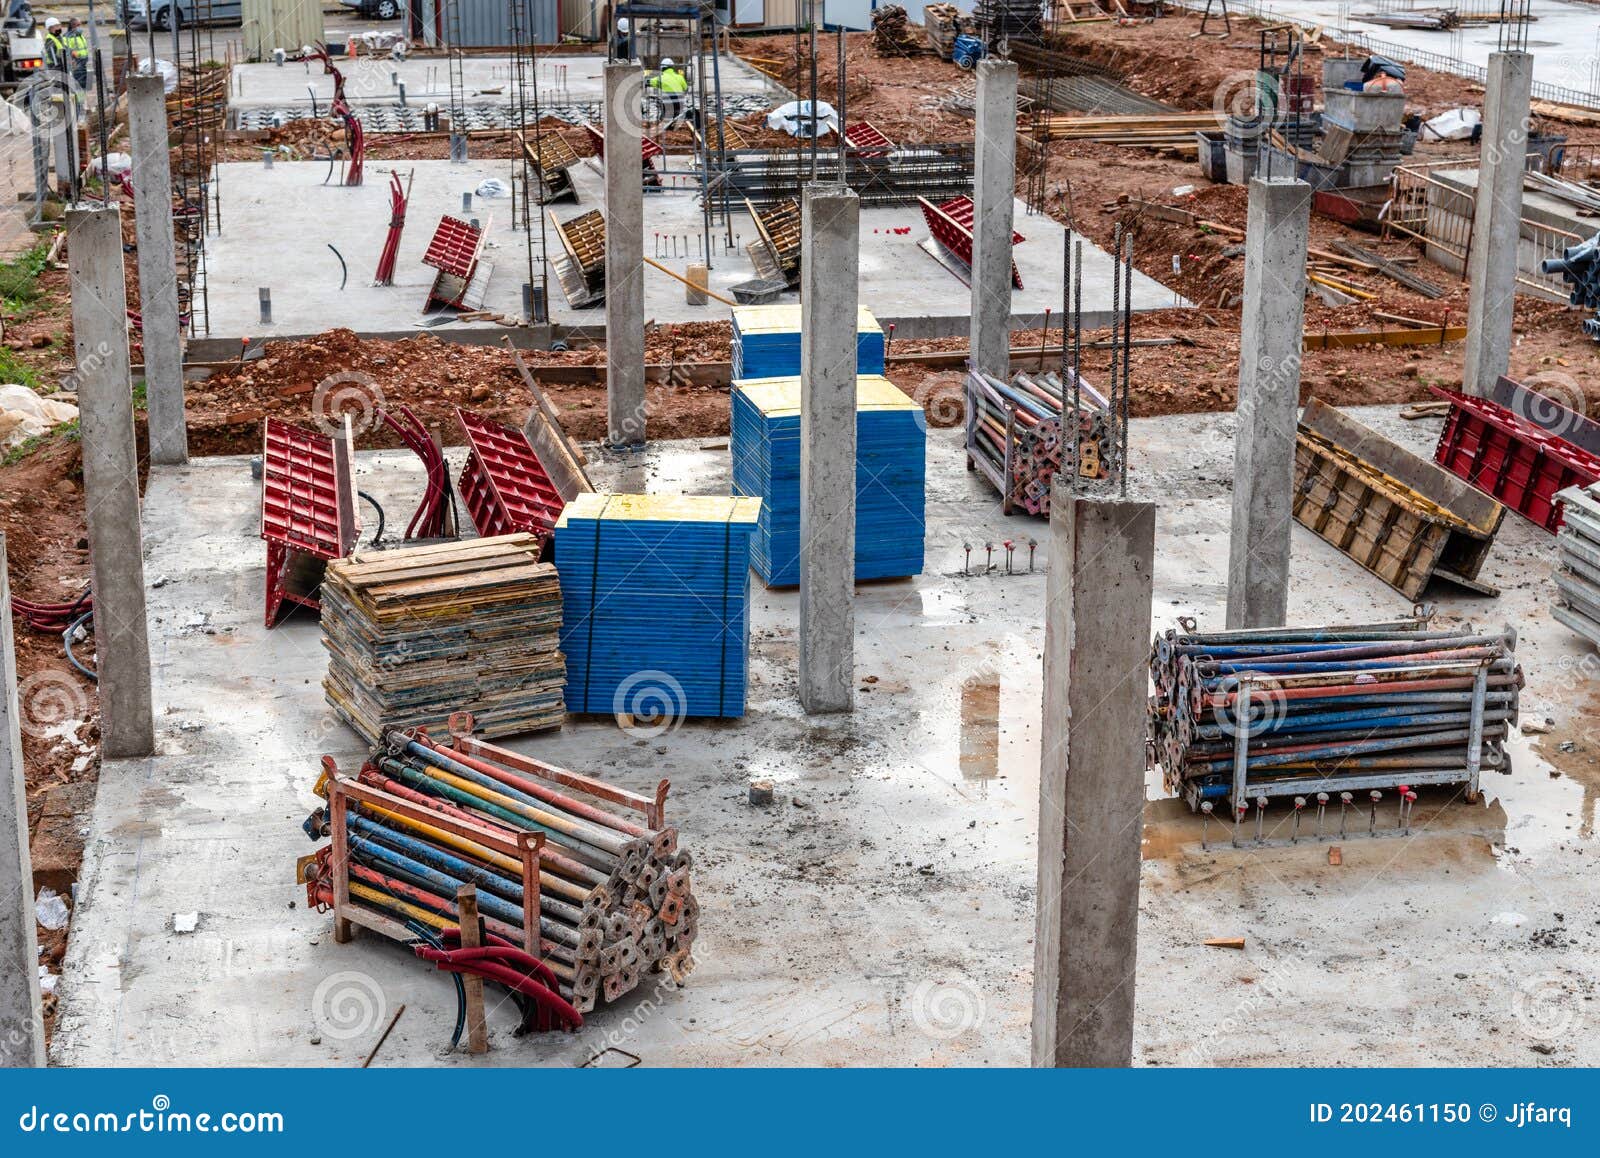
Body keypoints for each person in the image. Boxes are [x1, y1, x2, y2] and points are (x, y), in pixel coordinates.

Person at [648, 57, 688, 127]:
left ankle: (664, 120)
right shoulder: (680, 77)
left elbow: (648, 82)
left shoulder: (659, 78)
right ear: (672, 67)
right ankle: (676, 120)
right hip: (679, 104)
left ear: (662, 68)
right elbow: (686, 88)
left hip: (667, 106)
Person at [64, 16, 89, 93]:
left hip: (83, 62)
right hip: (76, 63)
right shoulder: (68, 37)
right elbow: (67, 50)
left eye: (80, 25)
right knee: (78, 84)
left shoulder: (79, 35)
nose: (80, 27)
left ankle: (82, 101)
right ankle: (79, 103)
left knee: (83, 84)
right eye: (78, 25)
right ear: (73, 26)